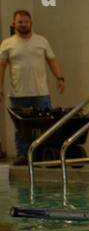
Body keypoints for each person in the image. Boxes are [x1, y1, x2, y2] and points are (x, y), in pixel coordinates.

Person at [1, 10, 66, 165]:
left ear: (31, 23)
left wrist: (60, 78)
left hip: (41, 93)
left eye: (26, 21)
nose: (23, 24)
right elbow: (2, 66)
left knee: (45, 125)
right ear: (14, 24)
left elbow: (52, 60)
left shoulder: (41, 41)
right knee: (21, 128)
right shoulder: (7, 44)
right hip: (18, 94)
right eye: (20, 22)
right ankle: (23, 156)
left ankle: (44, 153)